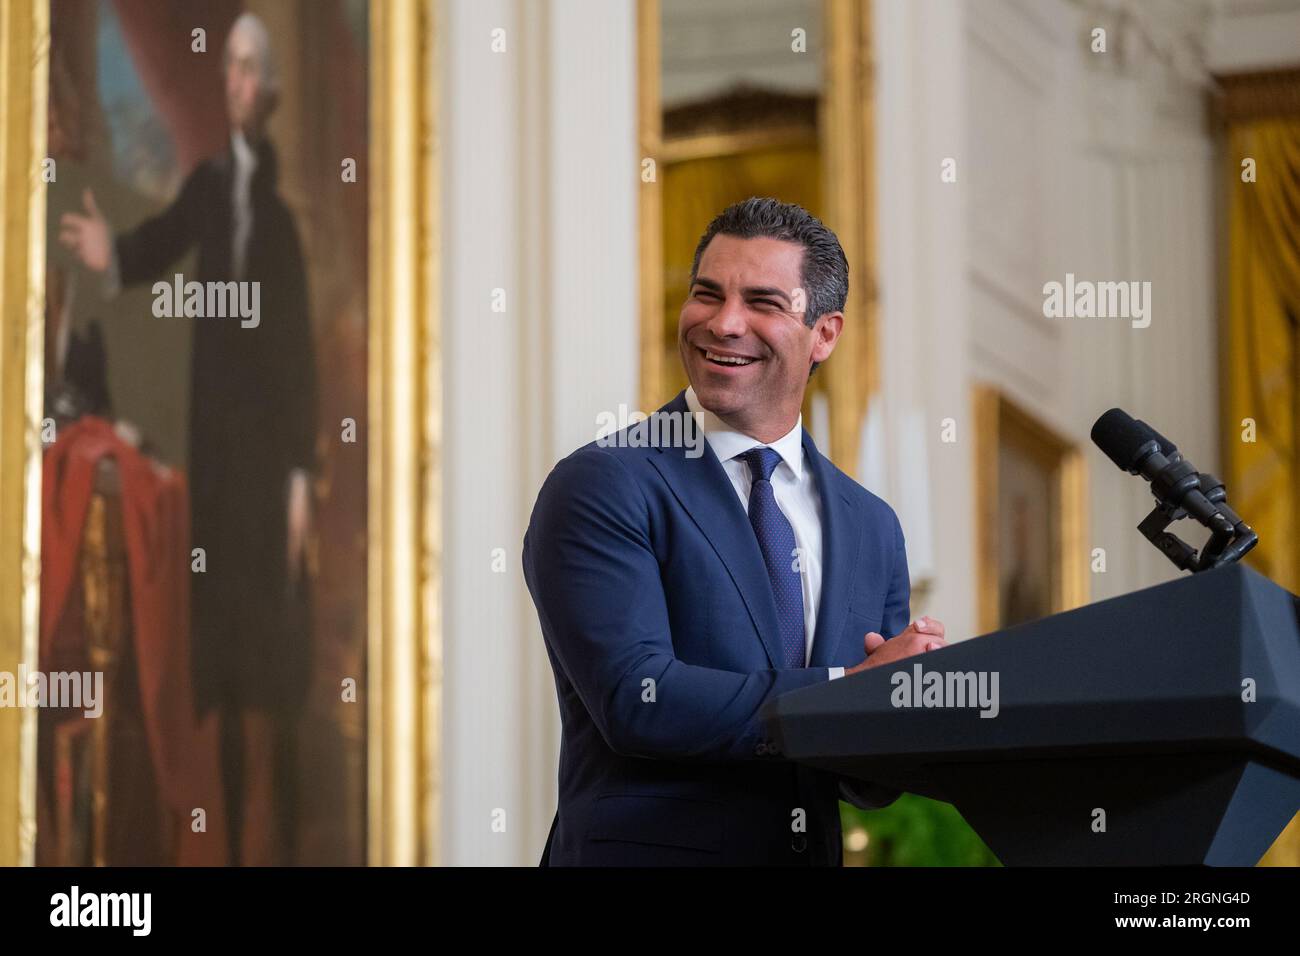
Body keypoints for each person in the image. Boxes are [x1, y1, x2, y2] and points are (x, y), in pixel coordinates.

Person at [523, 197, 948, 866]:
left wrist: (912, 699)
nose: (724, 323)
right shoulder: (604, 483)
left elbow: (865, 783)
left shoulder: (872, 526)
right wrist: (851, 689)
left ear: (824, 335)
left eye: (762, 302)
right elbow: (639, 698)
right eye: (707, 294)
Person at [58, 13, 317, 866]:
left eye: (252, 69)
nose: (240, 81)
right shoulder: (209, 188)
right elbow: (155, 245)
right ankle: (233, 852)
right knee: (223, 663)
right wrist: (109, 253)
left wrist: (301, 479)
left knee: (272, 672)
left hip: (270, 464)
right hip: (218, 461)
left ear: (269, 91)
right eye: (231, 67)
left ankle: (275, 844)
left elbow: (297, 357)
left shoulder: (277, 221)